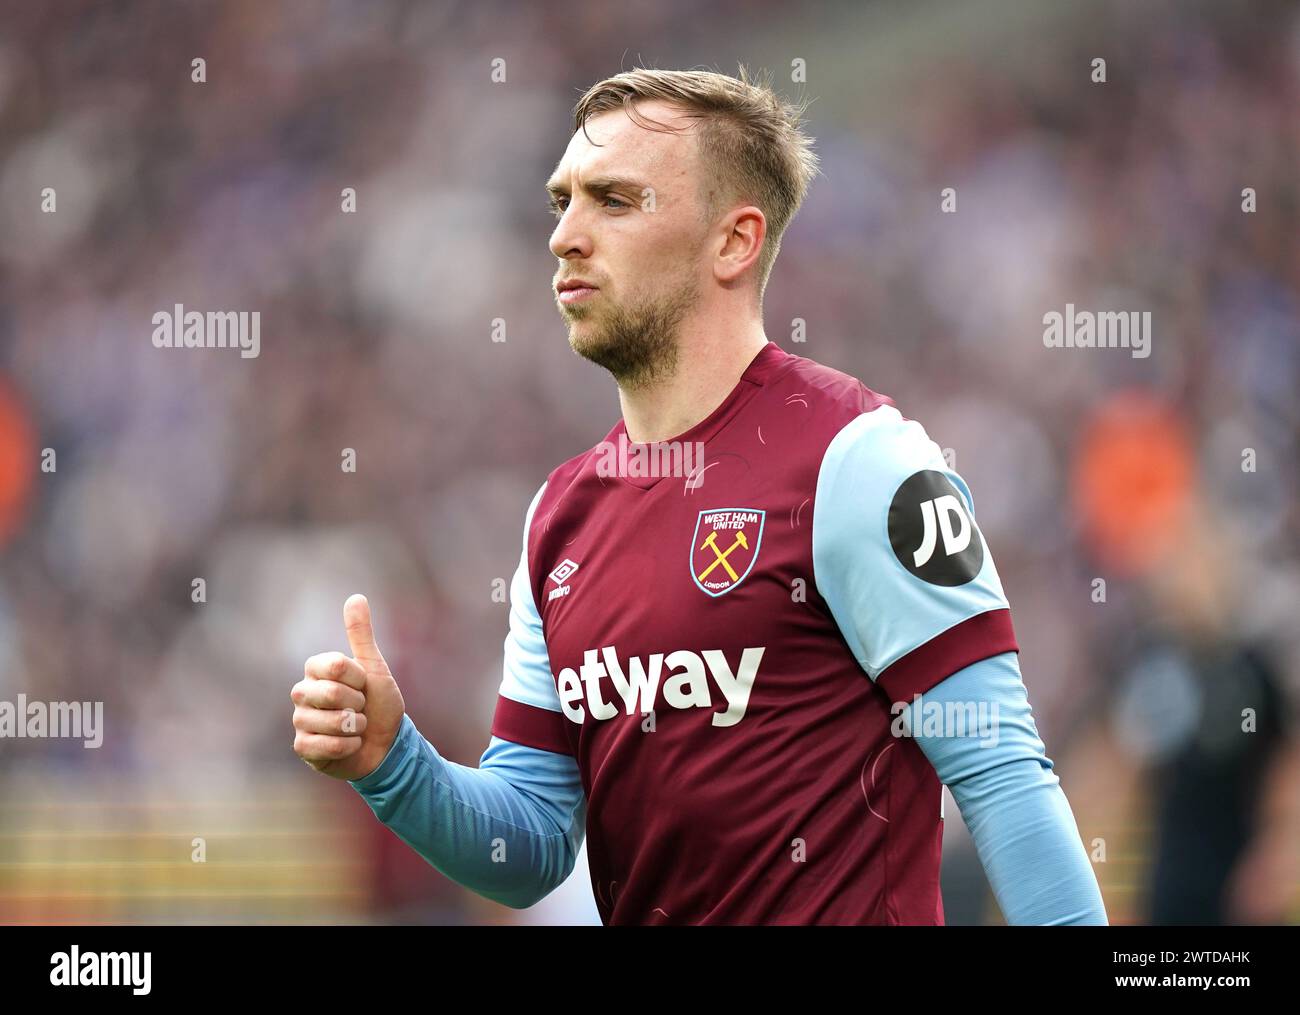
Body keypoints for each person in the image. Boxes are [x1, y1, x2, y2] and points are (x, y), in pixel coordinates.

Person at [289, 67, 1107, 925]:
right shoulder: (559, 518)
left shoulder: (862, 462)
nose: (565, 235)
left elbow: (1004, 775)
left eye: (613, 200)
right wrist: (393, 761)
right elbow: (530, 846)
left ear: (734, 242)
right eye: (560, 200)